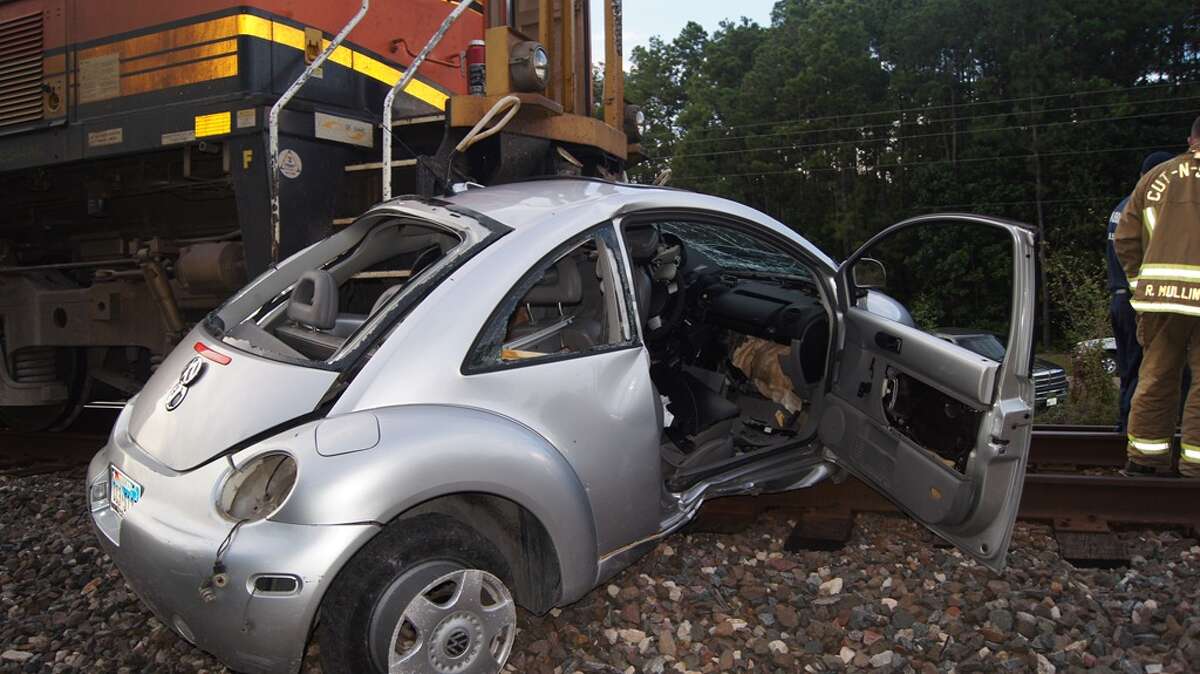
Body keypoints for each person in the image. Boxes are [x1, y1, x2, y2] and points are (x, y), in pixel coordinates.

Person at [1114, 116, 1200, 478]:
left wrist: (1140, 284)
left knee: (1156, 374)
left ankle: (1144, 460)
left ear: (1190, 138)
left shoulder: (1154, 178)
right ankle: (1196, 466)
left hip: (1159, 299)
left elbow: (1125, 238)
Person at [1108, 151, 1175, 433]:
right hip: (1140, 301)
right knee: (1146, 371)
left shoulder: (1123, 206)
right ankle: (1132, 432)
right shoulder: (1149, 207)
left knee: (1129, 369)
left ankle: (1122, 426)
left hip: (1119, 298)